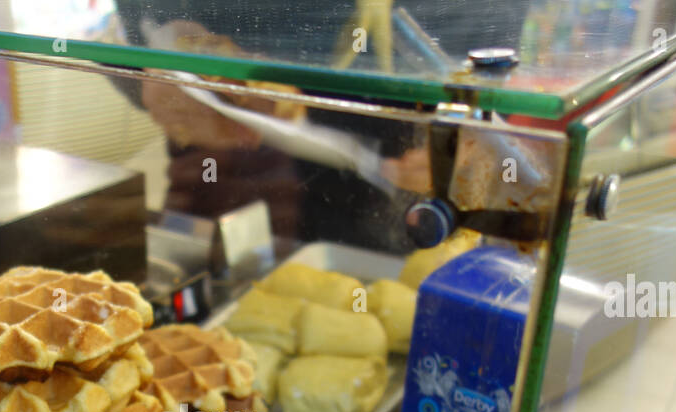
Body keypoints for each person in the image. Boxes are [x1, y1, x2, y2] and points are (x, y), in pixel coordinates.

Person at [110, 0, 530, 252]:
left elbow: (495, 58)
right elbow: (116, 38)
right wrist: (155, 59)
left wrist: (473, 133)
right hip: (222, 187)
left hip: (403, 214)